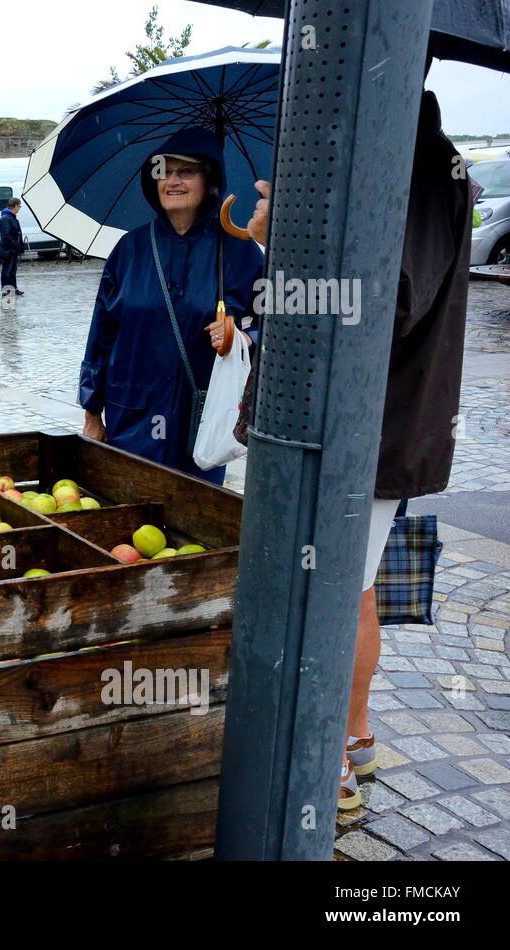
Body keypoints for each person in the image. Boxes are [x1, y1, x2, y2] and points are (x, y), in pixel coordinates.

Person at [245, 90, 473, 811]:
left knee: (332, 591)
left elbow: (381, 303)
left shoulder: (419, 164)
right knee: (351, 585)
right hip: (358, 424)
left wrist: (276, 238)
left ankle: (328, 763)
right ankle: (351, 739)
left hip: (364, 428)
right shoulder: (404, 156)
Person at [80, 127, 265, 485]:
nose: (173, 180)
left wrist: (243, 337)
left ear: (211, 183)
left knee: (192, 524)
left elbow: (271, 323)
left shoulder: (239, 252)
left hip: (199, 418)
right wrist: (92, 412)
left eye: (187, 171)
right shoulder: (129, 251)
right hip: (131, 415)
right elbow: (101, 336)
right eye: (164, 171)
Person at [0, 196, 24, 297]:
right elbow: (6, 235)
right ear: (15, 206)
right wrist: (15, 244)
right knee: (7, 270)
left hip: (13, 249)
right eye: (19, 206)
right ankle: (5, 289)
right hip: (8, 249)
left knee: (13, 270)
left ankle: (14, 288)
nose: (19, 208)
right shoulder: (6, 218)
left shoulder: (11, 217)